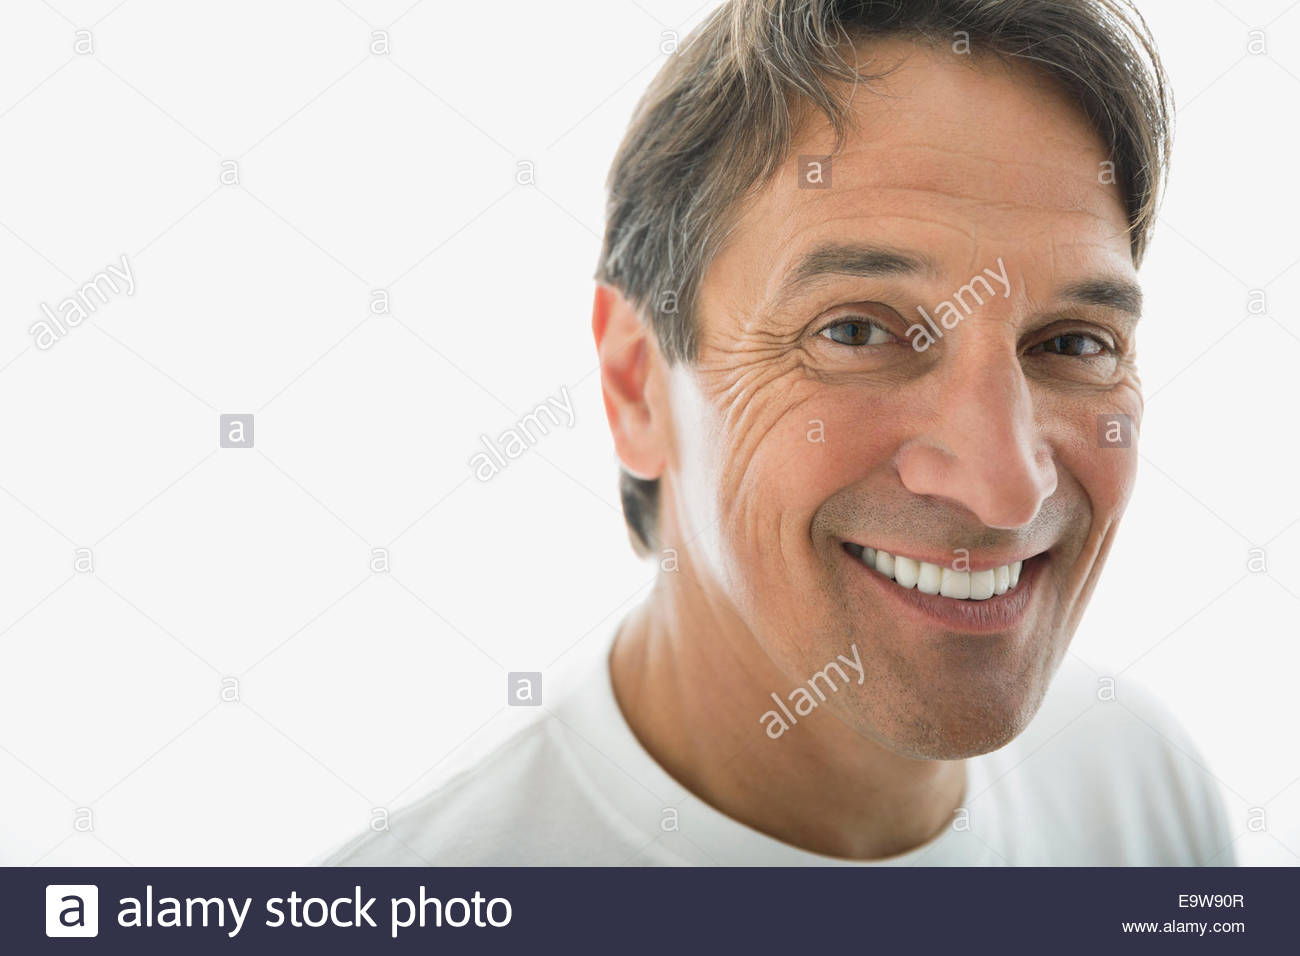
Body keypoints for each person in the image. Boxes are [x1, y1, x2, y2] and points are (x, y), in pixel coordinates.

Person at [325, 0, 1235, 866]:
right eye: (856, 332)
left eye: (1075, 343)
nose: (1006, 487)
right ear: (637, 385)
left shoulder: (1143, 795)